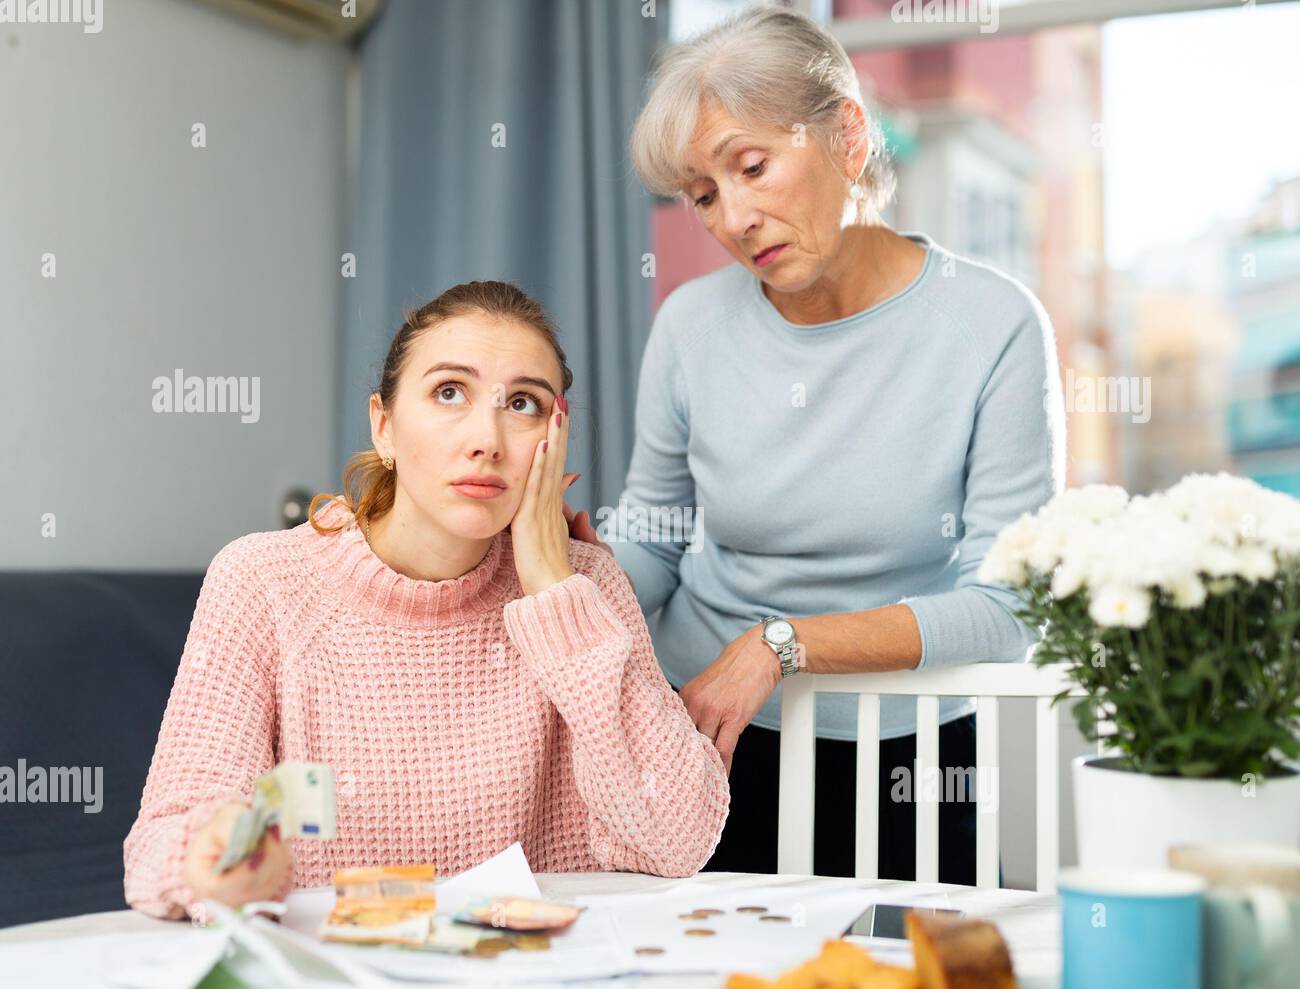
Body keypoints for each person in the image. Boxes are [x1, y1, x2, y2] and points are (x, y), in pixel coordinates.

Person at [594, 7, 1066, 883]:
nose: (734, 217)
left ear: (848, 134)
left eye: (752, 166)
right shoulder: (690, 325)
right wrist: (563, 587)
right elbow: (653, 541)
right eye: (703, 195)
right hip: (708, 733)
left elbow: (1010, 610)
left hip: (912, 749)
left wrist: (780, 644)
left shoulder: (993, 325)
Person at [123, 280, 729, 921]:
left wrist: (554, 590)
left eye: (523, 403)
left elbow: (680, 838)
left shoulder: (586, 591)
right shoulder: (262, 580)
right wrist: (213, 859)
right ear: (383, 425)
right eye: (448, 392)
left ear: (555, 442)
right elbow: (161, 840)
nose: (487, 439)